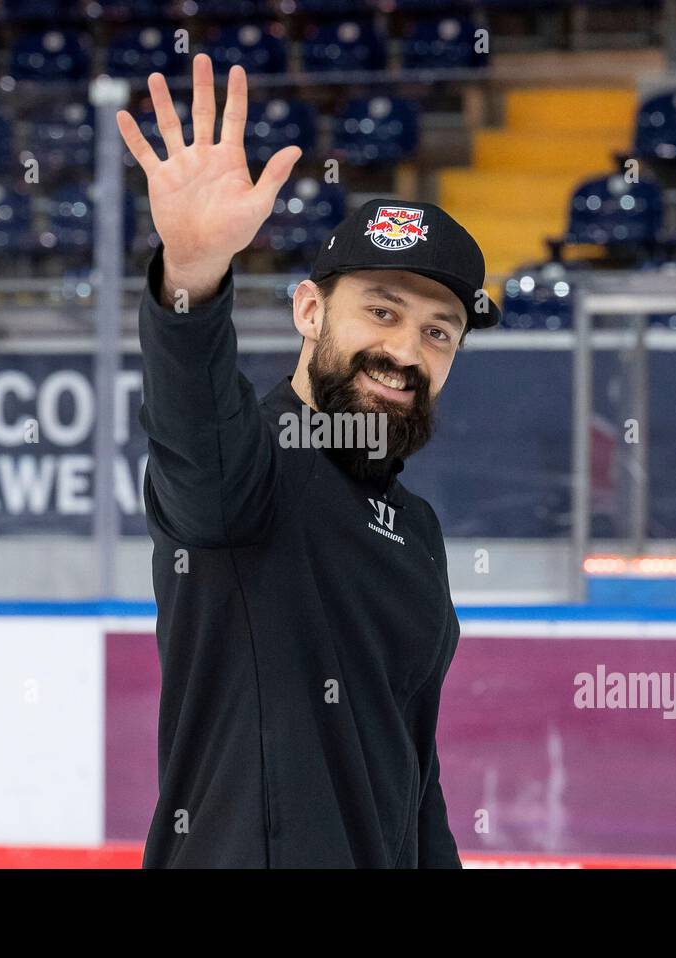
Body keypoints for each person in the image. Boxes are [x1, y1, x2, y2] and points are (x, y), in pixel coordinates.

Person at [117, 53, 499, 868]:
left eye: (438, 332)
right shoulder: (250, 471)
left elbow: (414, 776)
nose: (405, 350)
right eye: (382, 311)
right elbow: (194, 424)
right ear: (308, 308)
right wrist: (190, 275)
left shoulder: (418, 530)